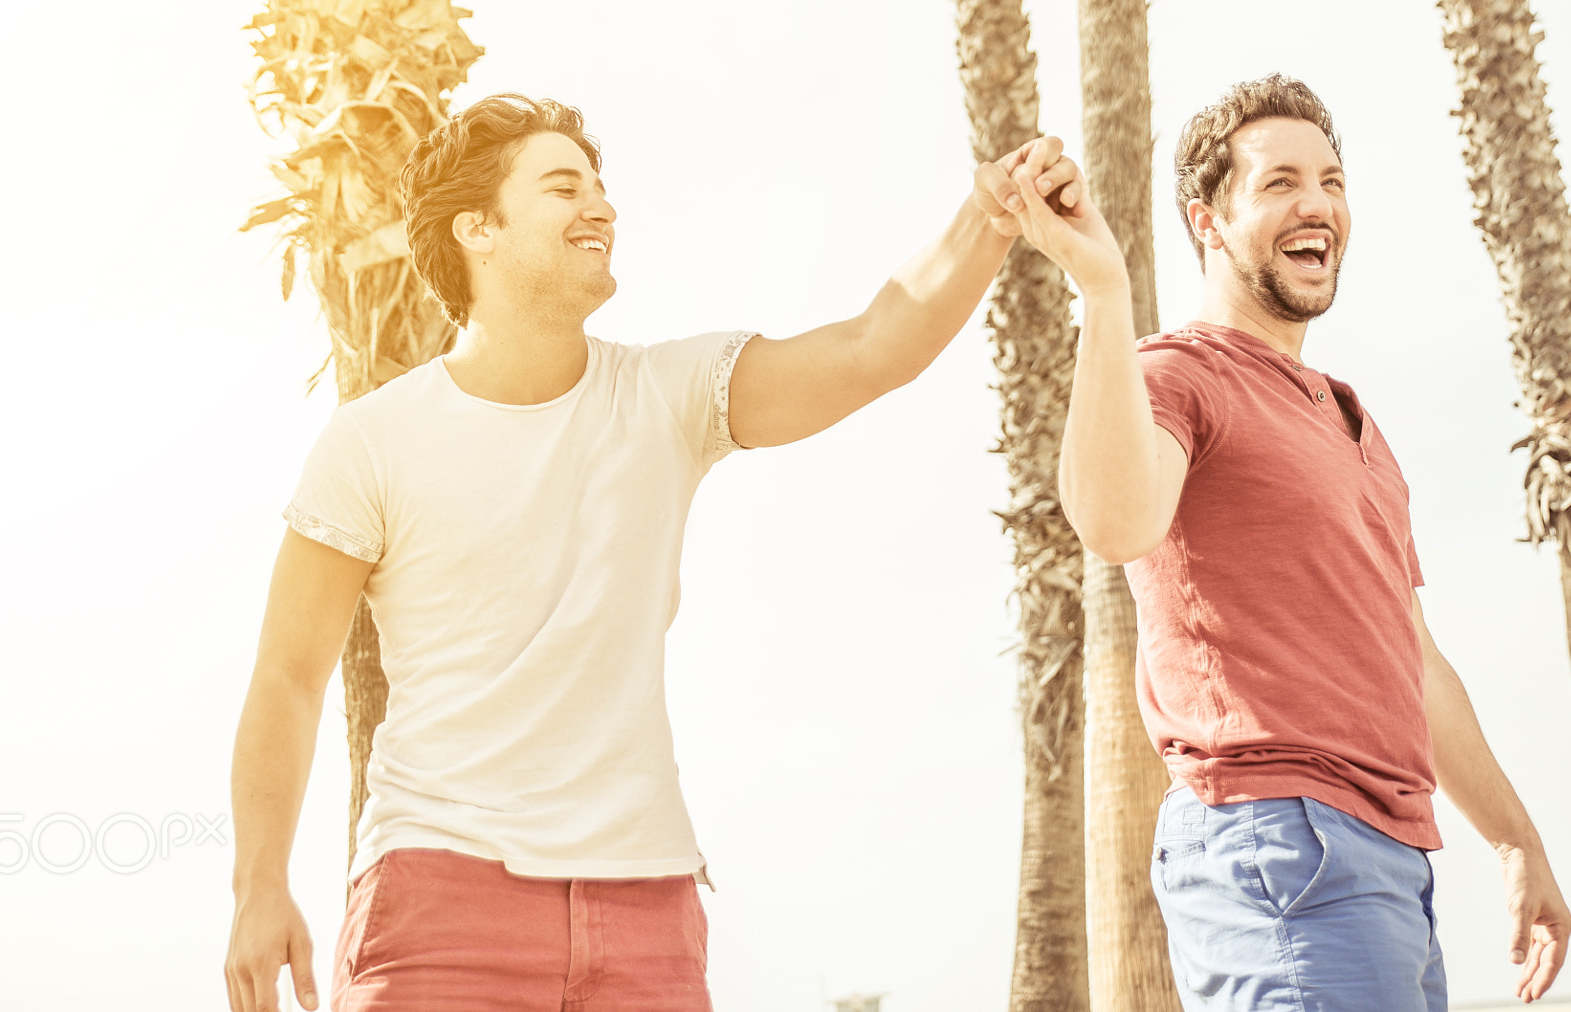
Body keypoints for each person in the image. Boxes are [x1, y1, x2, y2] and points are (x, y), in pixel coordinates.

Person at [223, 93, 1085, 1012]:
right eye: (564, 187)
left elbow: (873, 347)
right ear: (477, 227)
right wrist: (258, 887)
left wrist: (988, 219)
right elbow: (288, 674)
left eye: (601, 187)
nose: (602, 208)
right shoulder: (373, 441)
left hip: (647, 910)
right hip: (439, 898)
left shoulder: (665, 396)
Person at [1005, 74, 1571, 1011]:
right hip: (1280, 843)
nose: (1317, 204)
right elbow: (1114, 522)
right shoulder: (1177, 373)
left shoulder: (1354, 424)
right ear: (1210, 221)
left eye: (1333, 180)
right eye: (1278, 183)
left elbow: (1414, 661)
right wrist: (1103, 290)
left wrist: (1516, 842)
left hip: (1393, 860)